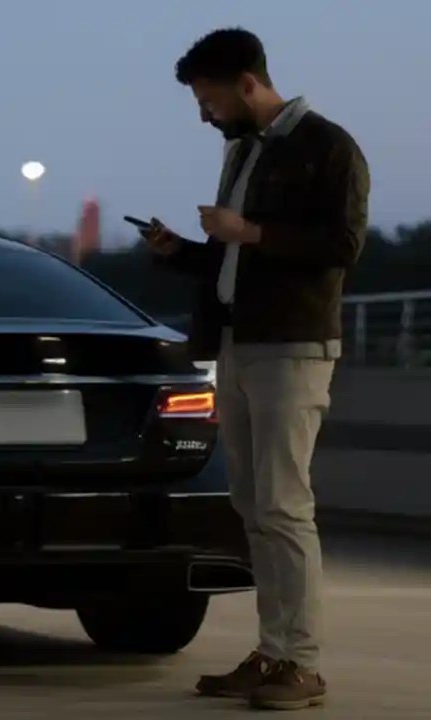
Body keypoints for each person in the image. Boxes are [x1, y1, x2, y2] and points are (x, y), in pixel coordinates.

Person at [142, 28, 369, 711]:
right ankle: (273, 654)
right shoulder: (244, 151)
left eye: (209, 100)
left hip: (293, 347)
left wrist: (250, 232)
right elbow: (234, 263)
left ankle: (301, 663)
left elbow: (344, 242)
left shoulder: (327, 145)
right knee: (253, 506)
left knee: (283, 506)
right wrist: (183, 250)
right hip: (239, 343)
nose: (204, 115)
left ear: (246, 84)